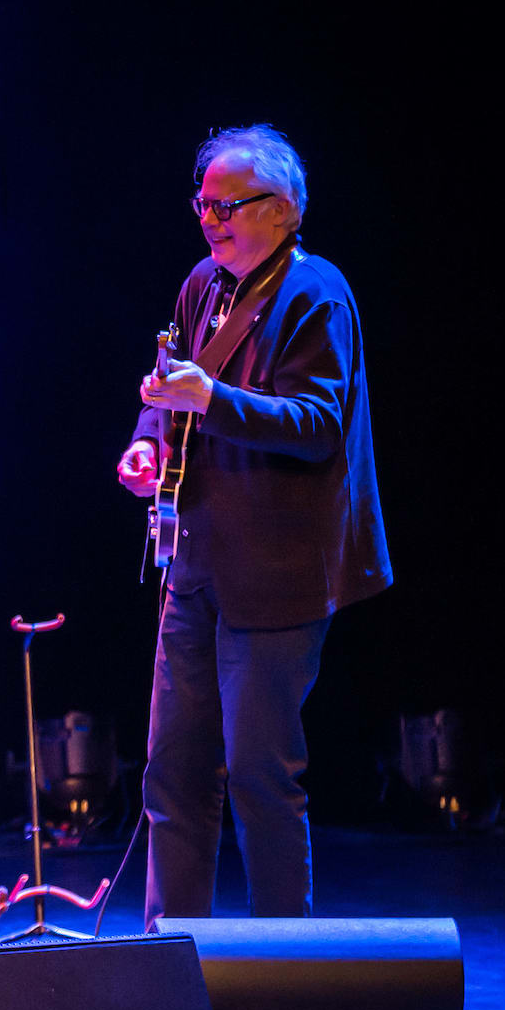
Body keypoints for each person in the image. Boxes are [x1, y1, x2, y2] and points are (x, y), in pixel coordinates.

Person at [117, 125, 391, 923]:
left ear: (283, 207)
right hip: (195, 562)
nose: (211, 219)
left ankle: (286, 979)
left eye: (228, 204)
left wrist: (211, 400)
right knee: (171, 774)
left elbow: (316, 425)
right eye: (204, 204)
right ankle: (172, 961)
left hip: (279, 574)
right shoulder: (203, 284)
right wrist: (144, 446)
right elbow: (170, 393)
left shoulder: (316, 292)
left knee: (260, 778)